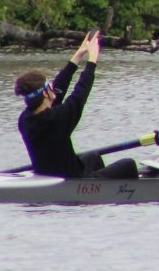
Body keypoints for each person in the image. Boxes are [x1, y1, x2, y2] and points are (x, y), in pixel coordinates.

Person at [16, 30, 138, 178]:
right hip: (72, 182)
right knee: (129, 165)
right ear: (45, 94)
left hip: (46, 175)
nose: (53, 87)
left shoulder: (25, 119)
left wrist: (79, 54)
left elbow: (59, 88)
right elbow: (80, 94)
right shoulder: (56, 118)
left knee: (93, 157)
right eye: (49, 85)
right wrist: (92, 60)